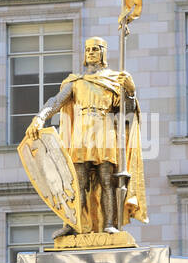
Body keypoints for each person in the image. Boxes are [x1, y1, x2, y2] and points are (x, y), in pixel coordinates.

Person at [25, 36, 147, 236]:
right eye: (88, 49)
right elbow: (55, 102)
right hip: (81, 136)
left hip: (105, 134)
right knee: (77, 183)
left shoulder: (115, 82)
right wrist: (40, 118)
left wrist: (130, 92)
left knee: (107, 180)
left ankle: (109, 224)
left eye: (95, 49)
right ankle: (72, 224)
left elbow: (127, 114)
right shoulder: (76, 82)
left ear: (103, 54)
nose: (90, 52)